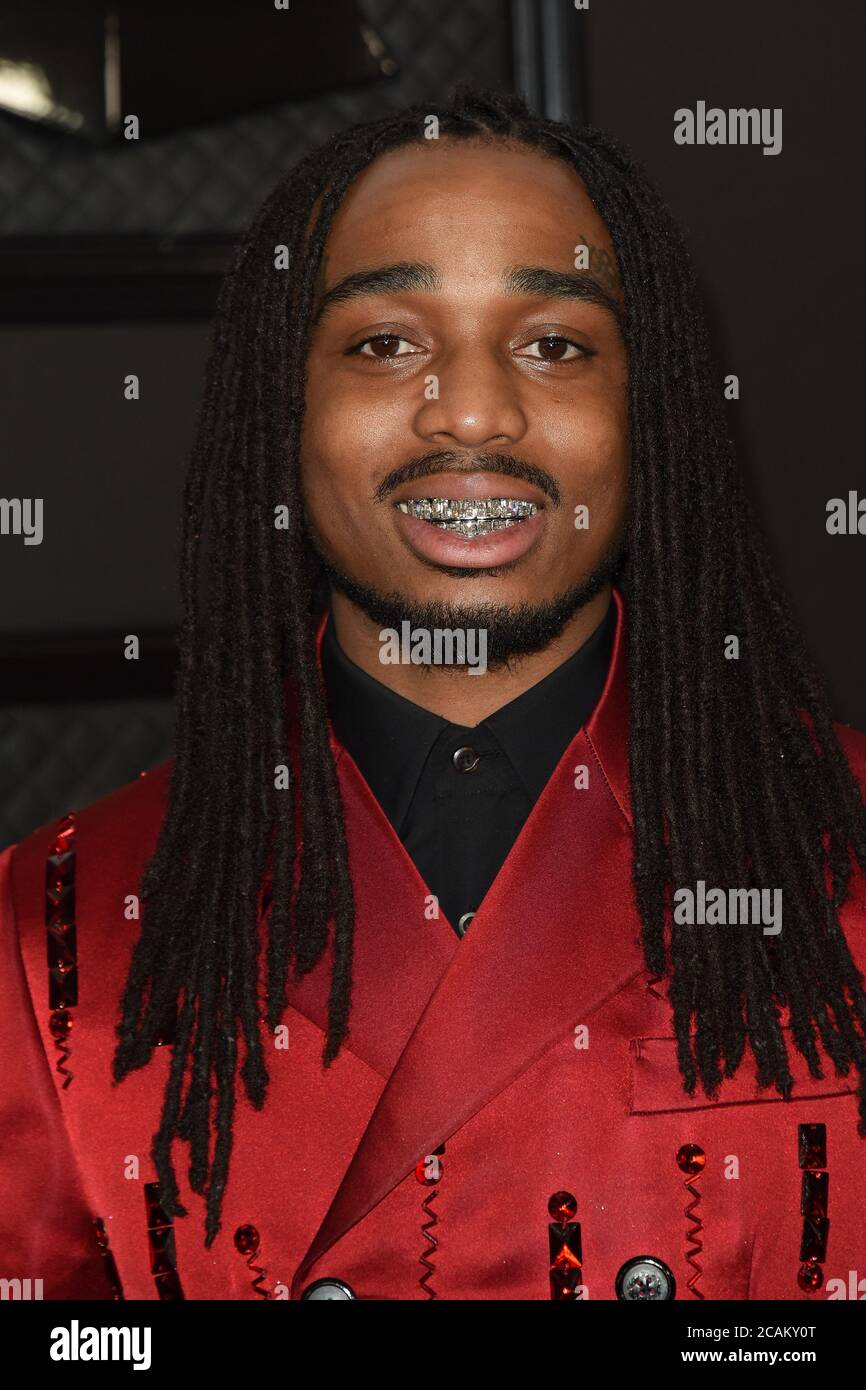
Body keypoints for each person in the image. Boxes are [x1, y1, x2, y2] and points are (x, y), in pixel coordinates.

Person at [2, 86, 865, 1302]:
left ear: (651, 413)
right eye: (384, 342)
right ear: (281, 413)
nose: (470, 410)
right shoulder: (45, 943)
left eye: (554, 343)